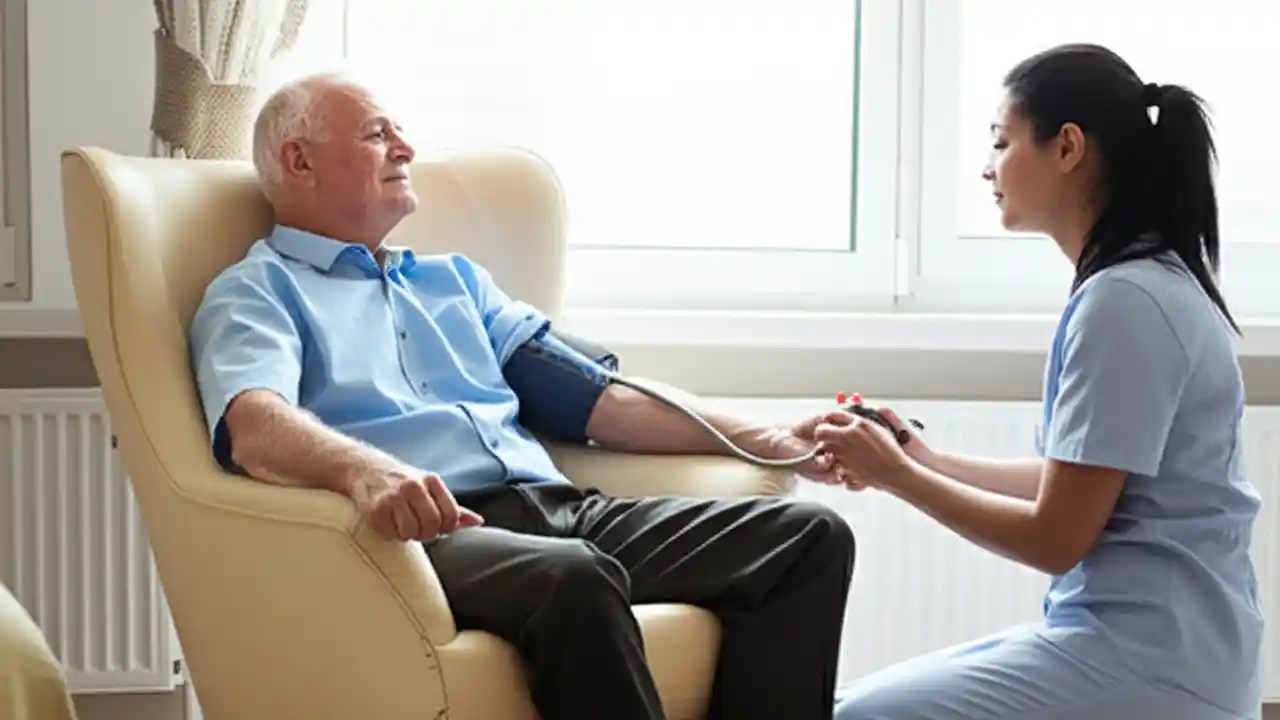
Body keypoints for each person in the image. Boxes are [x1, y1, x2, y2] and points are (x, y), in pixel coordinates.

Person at [187, 72, 856, 720]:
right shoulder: (258, 290)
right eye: (377, 133)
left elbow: (597, 402)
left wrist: (774, 441)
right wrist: (368, 470)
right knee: (574, 576)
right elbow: (255, 426)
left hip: (562, 511)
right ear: (300, 161)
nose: (405, 148)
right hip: (429, 535)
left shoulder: (454, 283)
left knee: (806, 539)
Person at [805, 44, 1263, 720]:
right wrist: (922, 459)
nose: (987, 167)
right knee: (843, 705)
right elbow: (1074, 481)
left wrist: (897, 477)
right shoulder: (1138, 286)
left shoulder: (1125, 303)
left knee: (852, 717)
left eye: (1001, 141)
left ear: (1068, 147)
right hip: (1157, 650)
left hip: (1153, 663)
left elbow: (1055, 536)